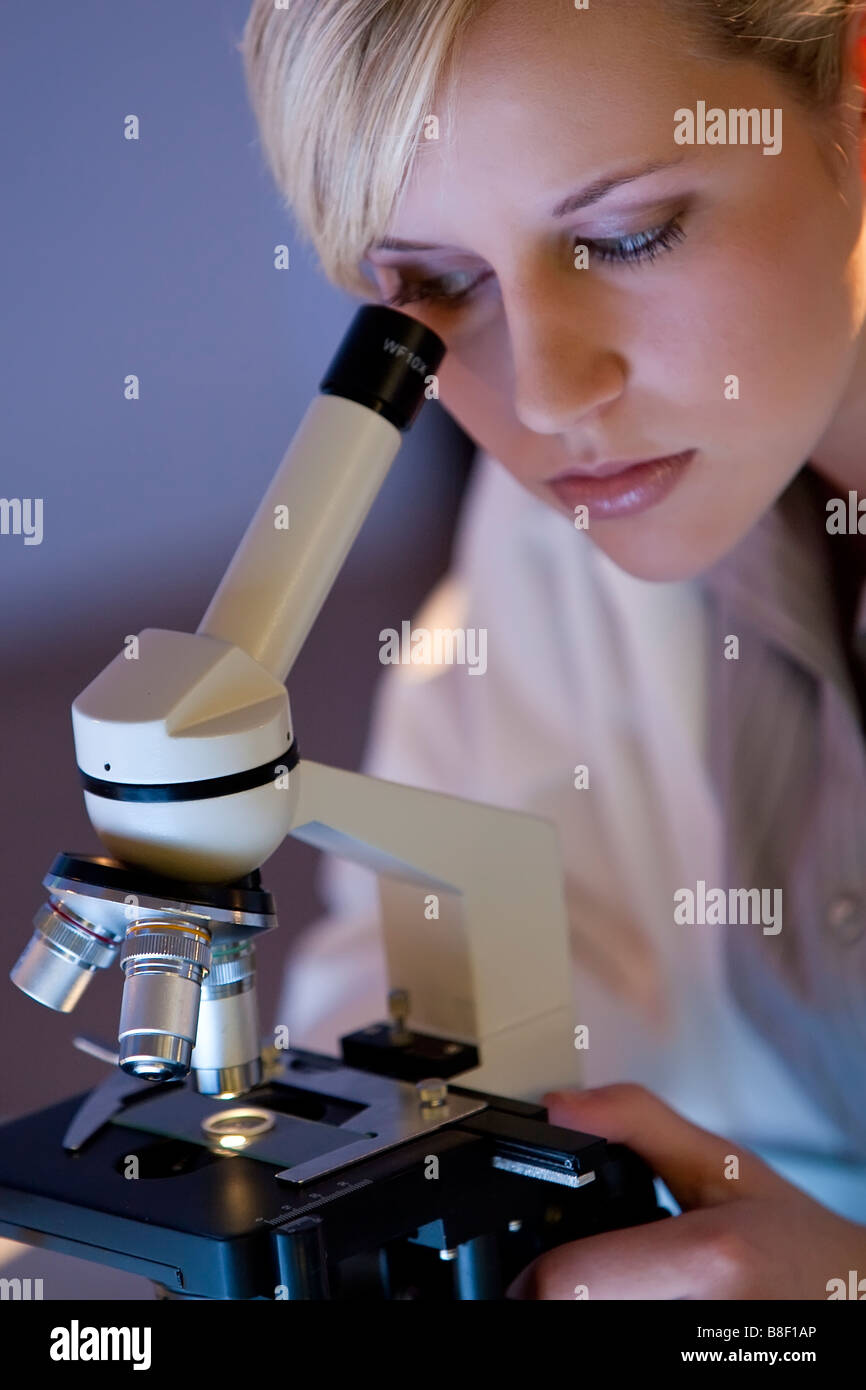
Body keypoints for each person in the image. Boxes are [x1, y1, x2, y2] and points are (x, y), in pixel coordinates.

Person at [242, 0, 866, 1296]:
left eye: (623, 235)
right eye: (439, 285)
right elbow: (432, 947)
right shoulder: (582, 510)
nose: (538, 397)